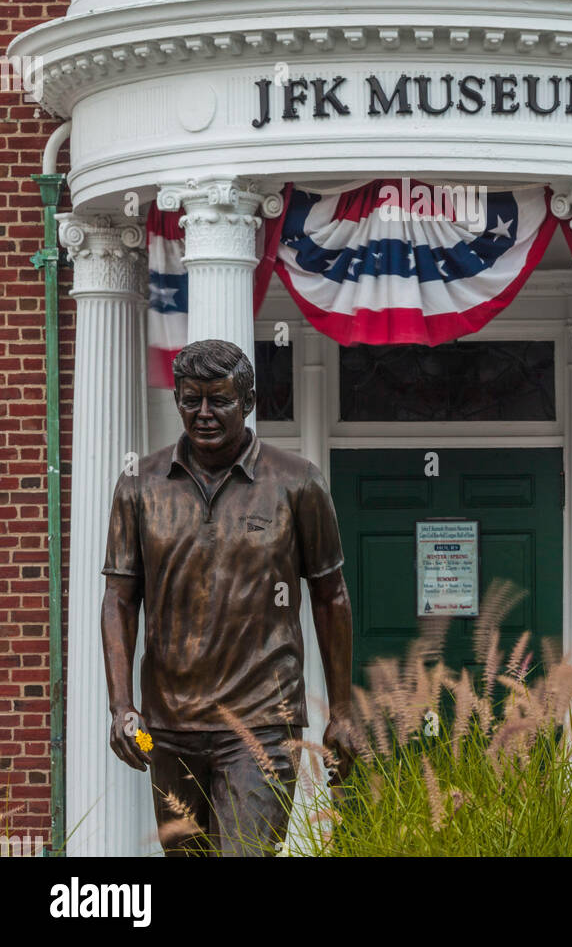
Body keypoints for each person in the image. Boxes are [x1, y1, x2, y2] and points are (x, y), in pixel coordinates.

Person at [101, 338, 356, 856]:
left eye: (219, 399)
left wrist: (343, 711)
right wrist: (122, 707)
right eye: (190, 399)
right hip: (166, 725)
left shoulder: (297, 482)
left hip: (264, 721)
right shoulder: (138, 485)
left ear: (249, 401)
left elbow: (331, 596)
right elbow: (119, 599)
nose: (203, 413)